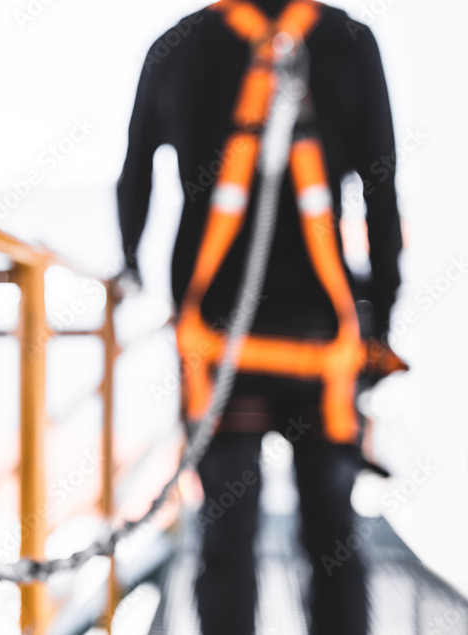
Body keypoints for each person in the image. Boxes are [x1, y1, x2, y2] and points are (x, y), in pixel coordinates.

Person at [116, 1, 405, 634]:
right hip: (323, 341)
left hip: (218, 342)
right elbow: (381, 190)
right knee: (332, 535)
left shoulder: (178, 45)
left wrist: (130, 263)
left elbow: (136, 173)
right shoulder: (351, 41)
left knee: (225, 538)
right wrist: (381, 321)